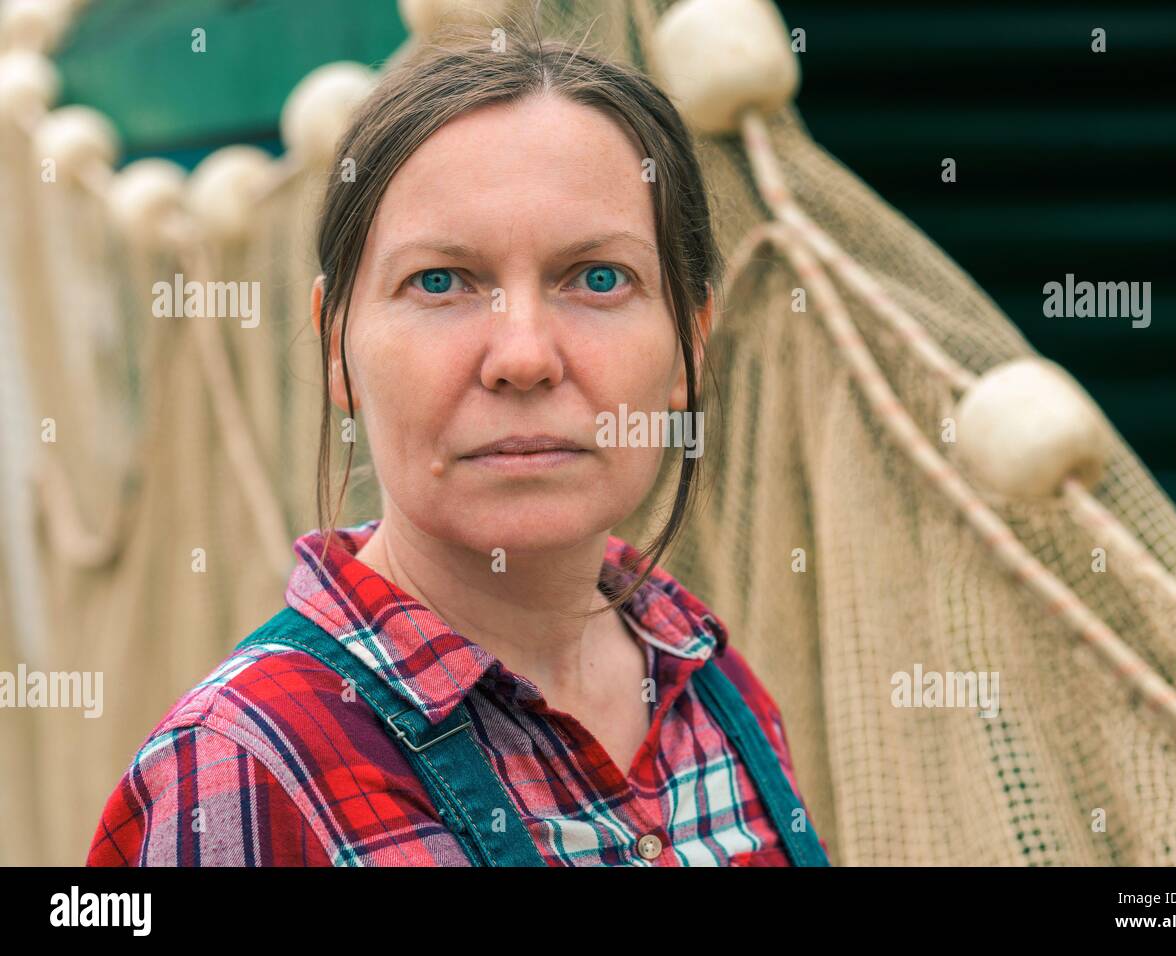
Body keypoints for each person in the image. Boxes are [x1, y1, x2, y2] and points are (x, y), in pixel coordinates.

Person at [85, 22, 830, 867]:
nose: (523, 357)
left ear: (691, 346)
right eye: (440, 282)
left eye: (597, 278)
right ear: (338, 349)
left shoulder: (716, 690)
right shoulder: (239, 771)